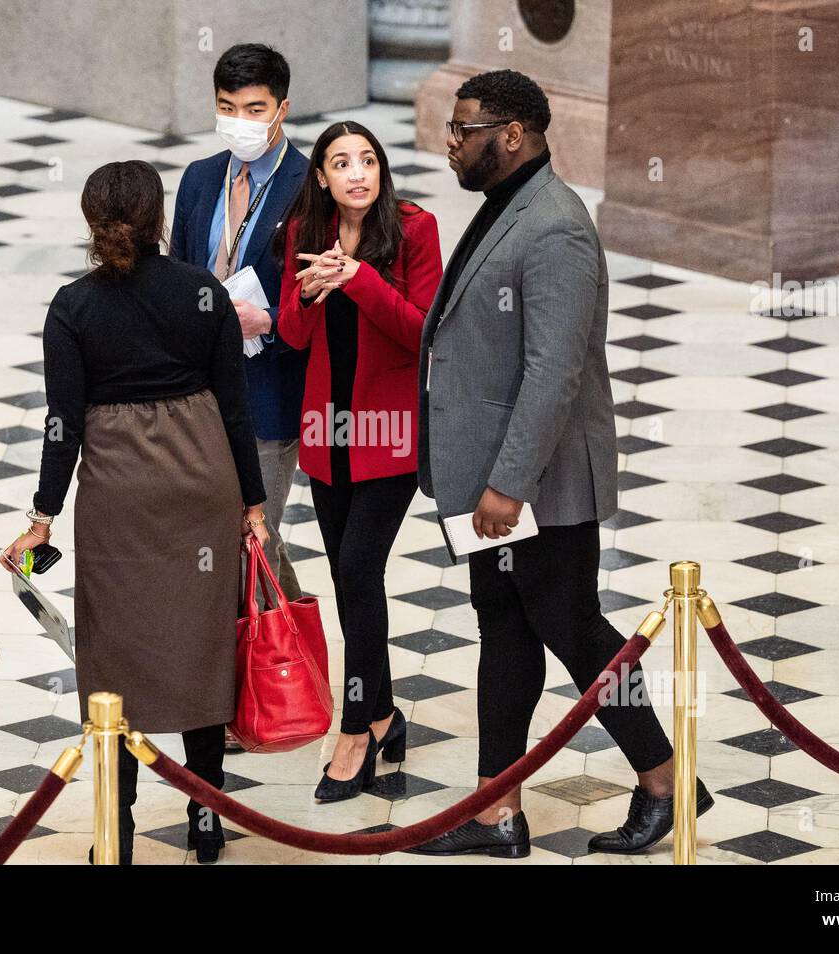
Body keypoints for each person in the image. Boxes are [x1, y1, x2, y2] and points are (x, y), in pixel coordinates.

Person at [407, 70, 712, 858]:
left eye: (464, 128)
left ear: (514, 135)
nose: (450, 140)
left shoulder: (555, 229)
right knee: (505, 631)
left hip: (536, 485)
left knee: (575, 629)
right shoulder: (506, 207)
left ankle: (666, 778)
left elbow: (554, 372)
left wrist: (509, 485)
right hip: (493, 481)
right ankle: (495, 811)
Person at [3, 160, 269, 866]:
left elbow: (62, 425)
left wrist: (42, 519)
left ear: (93, 224)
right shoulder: (204, 293)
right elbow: (236, 410)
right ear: (158, 221)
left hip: (118, 496)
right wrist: (253, 505)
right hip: (201, 480)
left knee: (113, 661)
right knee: (204, 647)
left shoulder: (72, 306)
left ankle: (113, 827)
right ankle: (207, 816)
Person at [277, 121, 442, 802]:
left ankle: (355, 732)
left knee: (356, 567)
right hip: (327, 433)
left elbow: (422, 331)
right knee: (352, 582)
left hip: (390, 433)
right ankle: (385, 712)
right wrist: (314, 290)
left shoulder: (414, 228)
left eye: (367, 160)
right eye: (340, 162)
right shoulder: (304, 230)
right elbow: (290, 334)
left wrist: (361, 280)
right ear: (320, 176)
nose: (356, 173)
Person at [169, 42, 310, 753]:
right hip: (202, 393)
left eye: (253, 110)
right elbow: (179, 272)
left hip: (268, 392)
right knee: (244, 542)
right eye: (227, 109)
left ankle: (239, 693)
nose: (239, 121)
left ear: (282, 109)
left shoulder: (310, 186)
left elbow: (319, 301)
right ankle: (304, 660)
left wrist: (275, 325)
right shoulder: (198, 180)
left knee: (246, 535)